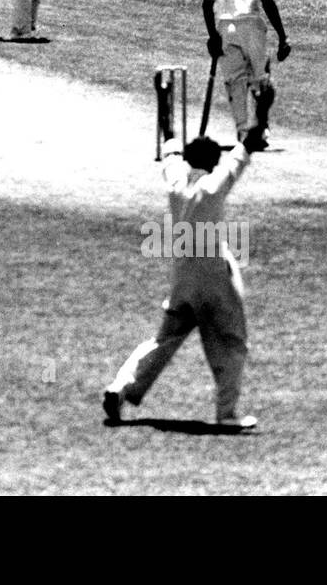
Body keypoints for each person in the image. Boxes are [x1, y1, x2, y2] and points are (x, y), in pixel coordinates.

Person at [103, 126, 268, 431]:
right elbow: (237, 161)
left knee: (162, 341)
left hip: (183, 279)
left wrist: (168, 124)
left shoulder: (177, 184)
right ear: (212, 161)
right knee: (231, 342)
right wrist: (254, 132)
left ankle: (120, 388)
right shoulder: (212, 186)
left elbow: (170, 155)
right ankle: (227, 413)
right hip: (214, 279)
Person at [201, 0, 290, 147]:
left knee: (235, 82)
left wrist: (212, 36)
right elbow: (268, 3)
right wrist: (282, 35)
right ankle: (261, 129)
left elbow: (207, 4)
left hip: (225, 28)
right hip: (252, 28)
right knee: (259, 79)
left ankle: (243, 131)